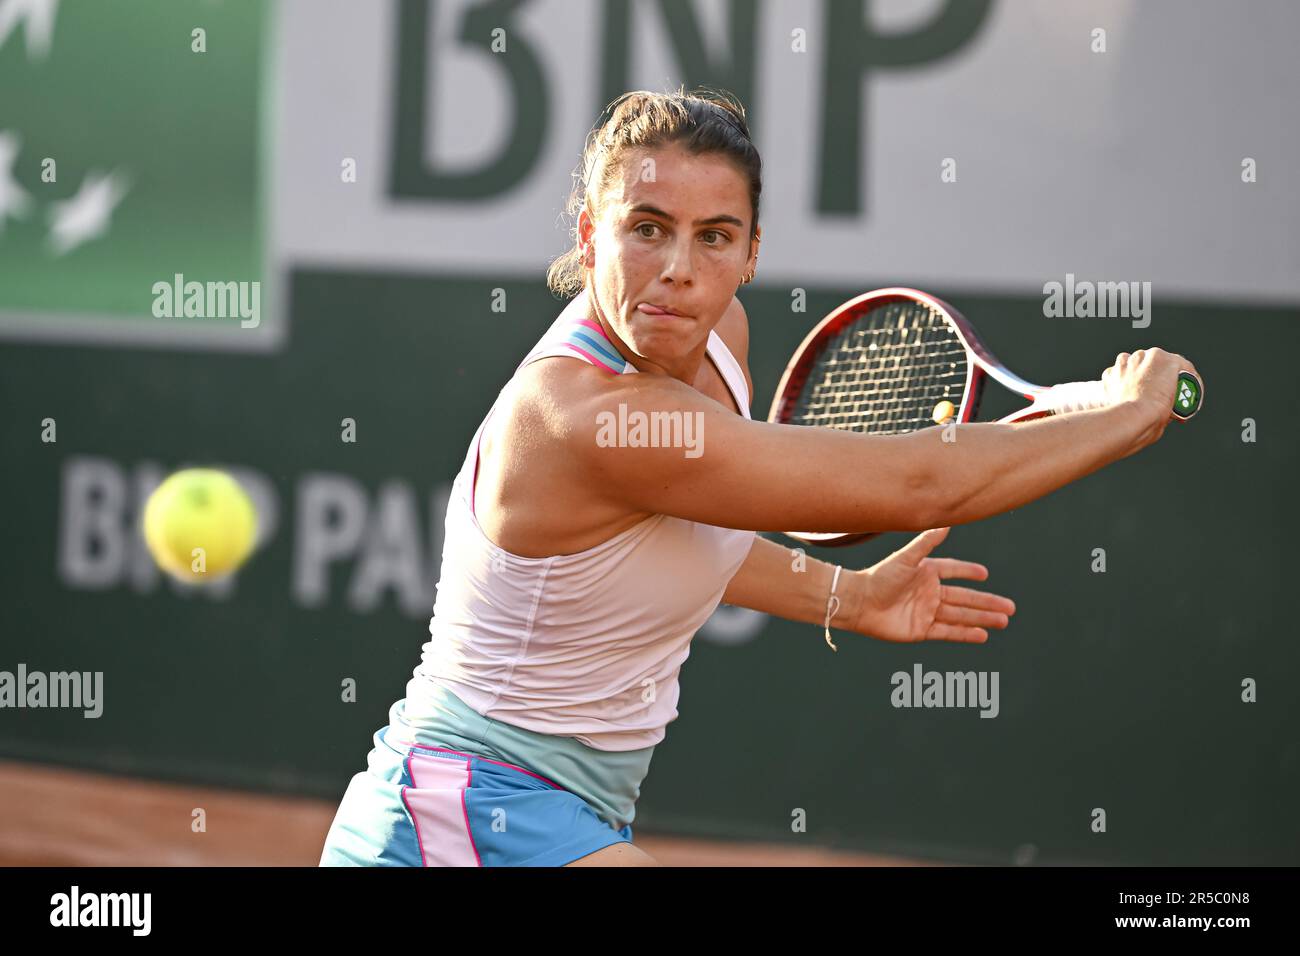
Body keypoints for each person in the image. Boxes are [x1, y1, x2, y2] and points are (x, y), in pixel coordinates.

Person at [319, 88, 1197, 867]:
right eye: (647, 228)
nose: (678, 270)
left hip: (566, 810)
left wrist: (847, 599)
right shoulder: (589, 417)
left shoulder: (718, 338)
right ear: (591, 233)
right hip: (464, 809)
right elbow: (922, 485)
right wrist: (1125, 421)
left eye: (715, 238)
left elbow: (671, 542)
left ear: (751, 253)